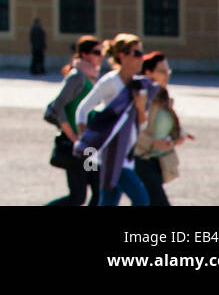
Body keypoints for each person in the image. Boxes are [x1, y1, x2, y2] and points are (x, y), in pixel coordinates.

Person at [75, 33, 155, 206]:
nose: (141, 58)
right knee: (142, 200)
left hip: (128, 153)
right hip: (112, 154)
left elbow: (143, 124)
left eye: (141, 53)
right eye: (136, 54)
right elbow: (83, 108)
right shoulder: (111, 82)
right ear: (122, 56)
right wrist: (87, 140)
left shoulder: (138, 85)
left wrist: (141, 107)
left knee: (108, 201)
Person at [44, 35, 103, 205]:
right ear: (84, 54)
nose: (101, 56)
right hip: (76, 149)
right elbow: (57, 106)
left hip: (90, 148)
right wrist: (72, 136)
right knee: (77, 197)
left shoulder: (91, 76)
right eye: (97, 52)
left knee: (98, 191)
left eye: (102, 52)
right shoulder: (77, 76)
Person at [134, 52, 194, 205]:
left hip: (158, 160)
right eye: (162, 71)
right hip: (141, 159)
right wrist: (152, 142)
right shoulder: (143, 96)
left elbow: (168, 122)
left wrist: (179, 135)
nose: (167, 75)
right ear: (148, 73)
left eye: (168, 71)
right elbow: (133, 127)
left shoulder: (162, 95)